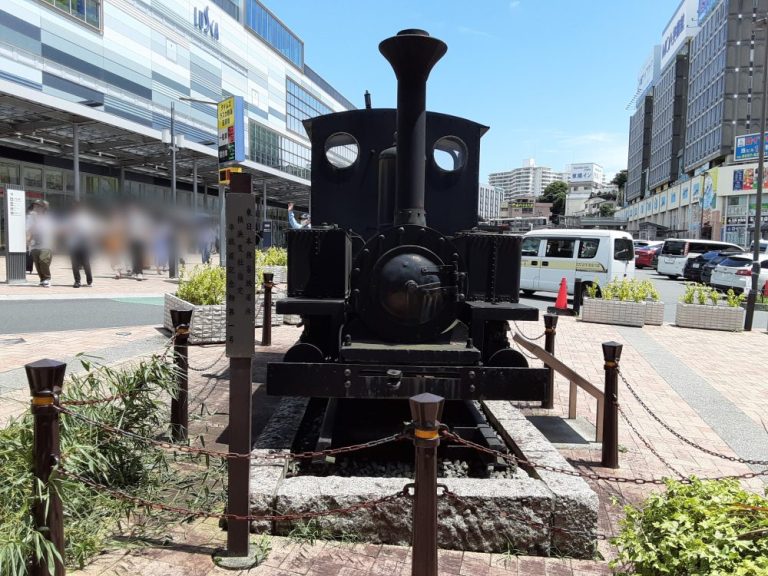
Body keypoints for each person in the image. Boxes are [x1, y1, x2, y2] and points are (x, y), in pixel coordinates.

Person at [65, 201, 96, 288]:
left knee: (86, 263)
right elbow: (67, 230)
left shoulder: (86, 218)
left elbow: (89, 231)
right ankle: (77, 281)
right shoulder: (70, 218)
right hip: (73, 244)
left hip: (84, 244)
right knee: (75, 264)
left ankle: (89, 280)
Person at [26, 199, 54, 287]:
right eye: (35, 206)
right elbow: (28, 230)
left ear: (43, 208)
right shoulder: (30, 218)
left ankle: (47, 278)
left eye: (38, 206)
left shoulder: (48, 218)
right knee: (37, 263)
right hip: (34, 244)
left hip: (46, 243)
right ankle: (42, 279)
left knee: (43, 260)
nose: (36, 208)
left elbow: (51, 230)